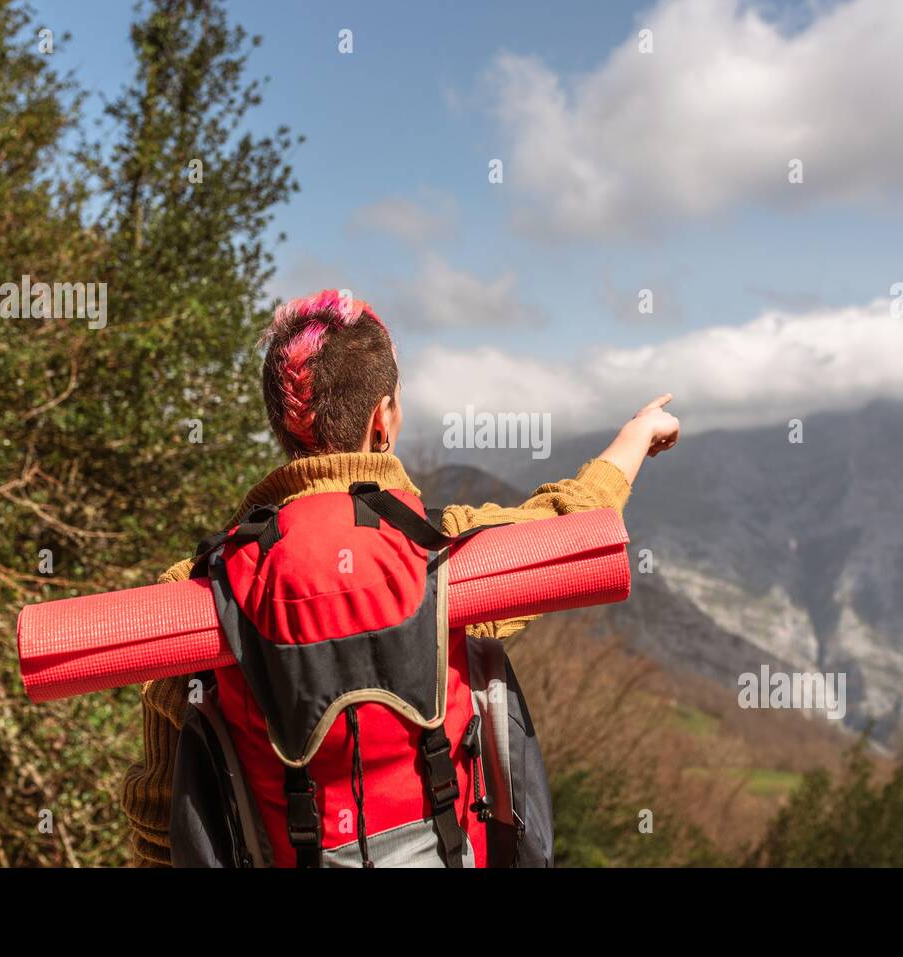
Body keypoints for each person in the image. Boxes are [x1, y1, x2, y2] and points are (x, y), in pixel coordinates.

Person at [121, 289, 680, 867]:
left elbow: (162, 817)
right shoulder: (446, 558)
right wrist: (635, 437)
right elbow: (573, 524)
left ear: (281, 426)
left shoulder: (195, 593)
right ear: (382, 417)